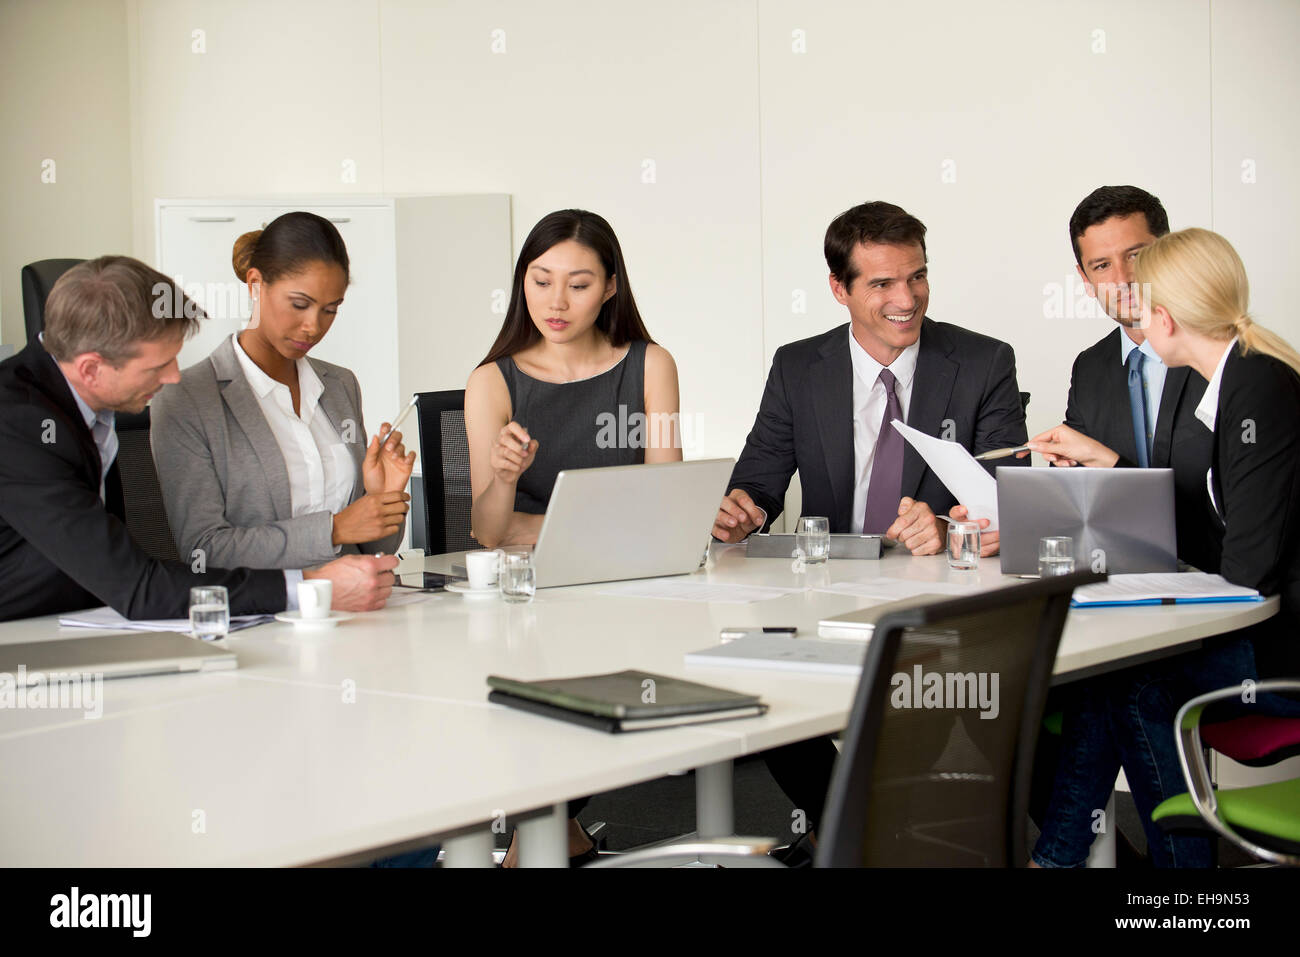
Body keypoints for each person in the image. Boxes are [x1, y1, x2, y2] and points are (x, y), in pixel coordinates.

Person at [714, 200, 1030, 864]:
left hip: (937, 600)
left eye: (917, 276)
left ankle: (861, 837)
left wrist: (948, 525)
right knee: (752, 677)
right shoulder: (799, 366)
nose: (906, 299)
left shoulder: (983, 362)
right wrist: (742, 510)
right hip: (825, 592)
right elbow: (760, 481)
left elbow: (1012, 495)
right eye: (882, 283)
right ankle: (847, 827)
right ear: (840, 288)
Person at [1027, 228, 1300, 868]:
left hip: (1284, 643)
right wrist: (1112, 466)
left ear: (1167, 318)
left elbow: (1248, 567)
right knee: (1111, 674)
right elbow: (1225, 529)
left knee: (1132, 683)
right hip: (1265, 627)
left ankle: (1169, 881)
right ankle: (1064, 859)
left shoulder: (1257, 390)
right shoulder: (1244, 378)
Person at [0, 256, 397, 624]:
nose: (174, 376)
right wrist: (309, 587)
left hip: (68, 625)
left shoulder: (85, 406)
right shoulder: (18, 426)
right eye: (157, 366)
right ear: (90, 369)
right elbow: (136, 586)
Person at [464, 208, 682, 865]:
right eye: (541, 280)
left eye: (579, 284)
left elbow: (665, 507)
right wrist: (506, 479)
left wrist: (538, 523)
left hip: (628, 587)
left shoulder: (650, 366)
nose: (556, 302)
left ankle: (546, 837)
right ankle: (545, 837)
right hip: (528, 596)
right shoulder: (492, 381)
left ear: (611, 287)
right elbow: (489, 531)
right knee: (552, 669)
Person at [150, 212, 416, 571]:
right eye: (299, 304)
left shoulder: (340, 385)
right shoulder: (188, 398)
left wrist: (382, 497)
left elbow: (369, 548)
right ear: (255, 284)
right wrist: (334, 529)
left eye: (330, 310)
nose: (313, 326)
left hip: (358, 598)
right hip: (264, 604)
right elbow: (204, 550)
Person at [1061, 186, 1217, 571]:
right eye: (1102, 266)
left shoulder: (1219, 355)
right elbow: (1079, 498)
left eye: (1136, 255)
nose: (1123, 279)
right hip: (1121, 579)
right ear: (1085, 278)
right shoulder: (1089, 369)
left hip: (1223, 583)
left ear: (1168, 251)